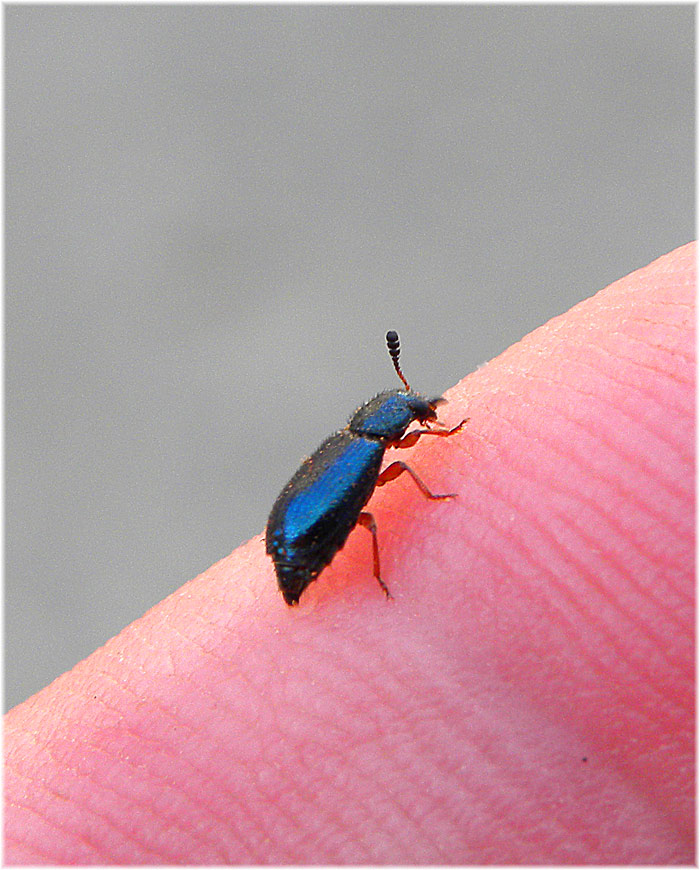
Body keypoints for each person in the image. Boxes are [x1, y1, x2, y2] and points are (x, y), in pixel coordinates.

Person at [5, 243, 694, 864]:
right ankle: (354, 572)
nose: (417, 417)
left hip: (292, 528)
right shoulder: (375, 456)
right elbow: (386, 481)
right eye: (413, 415)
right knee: (366, 524)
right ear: (392, 425)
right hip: (306, 539)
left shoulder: (357, 442)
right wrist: (428, 481)